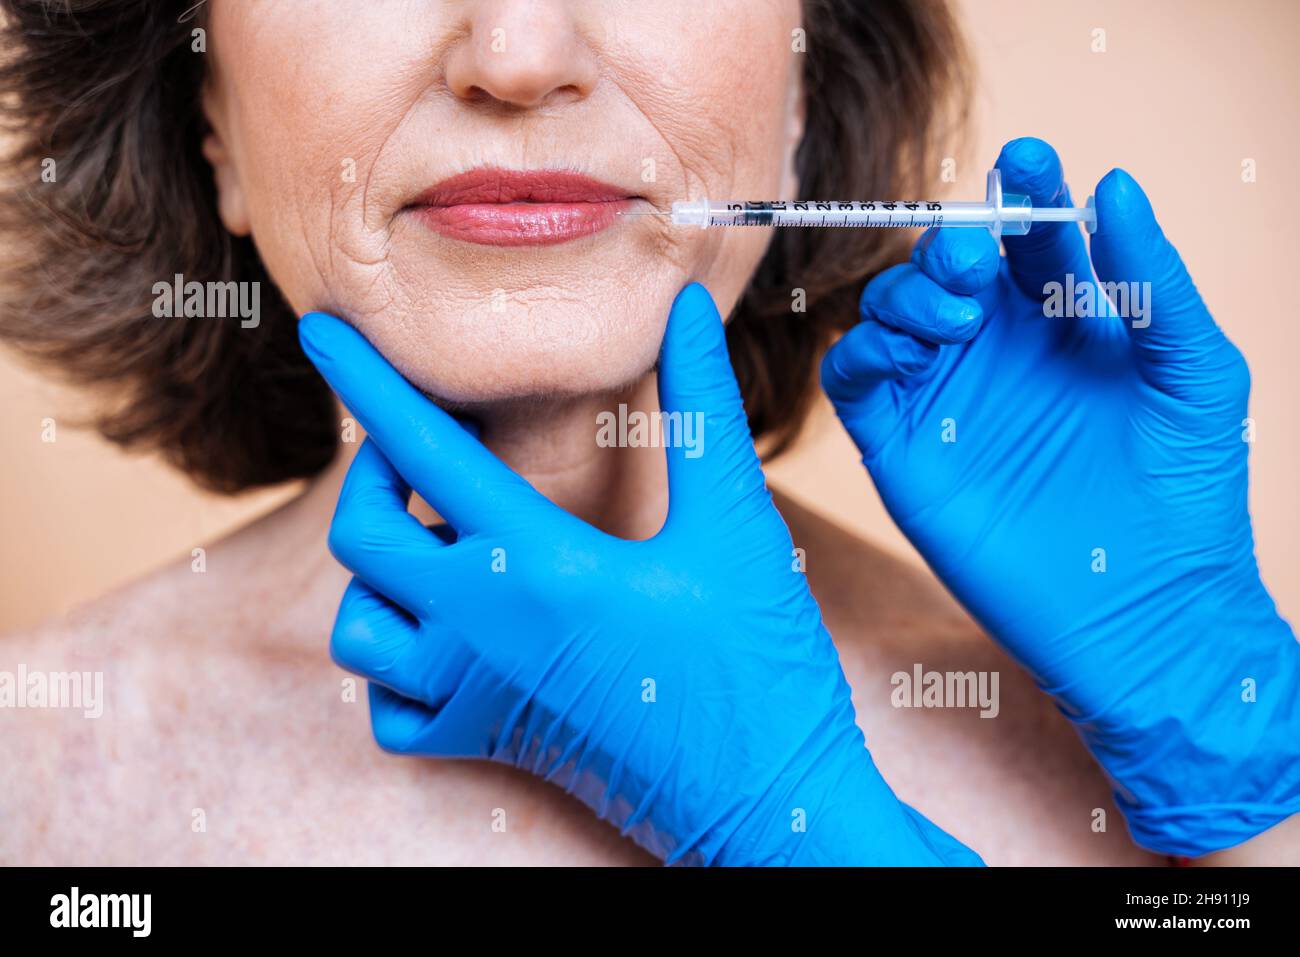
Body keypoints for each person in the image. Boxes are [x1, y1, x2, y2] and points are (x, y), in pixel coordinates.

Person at [3, 0, 1273, 865]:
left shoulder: (1117, 778)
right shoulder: (37, 785)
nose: (514, 53)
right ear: (204, 107)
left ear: (800, 78)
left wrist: (1234, 761)